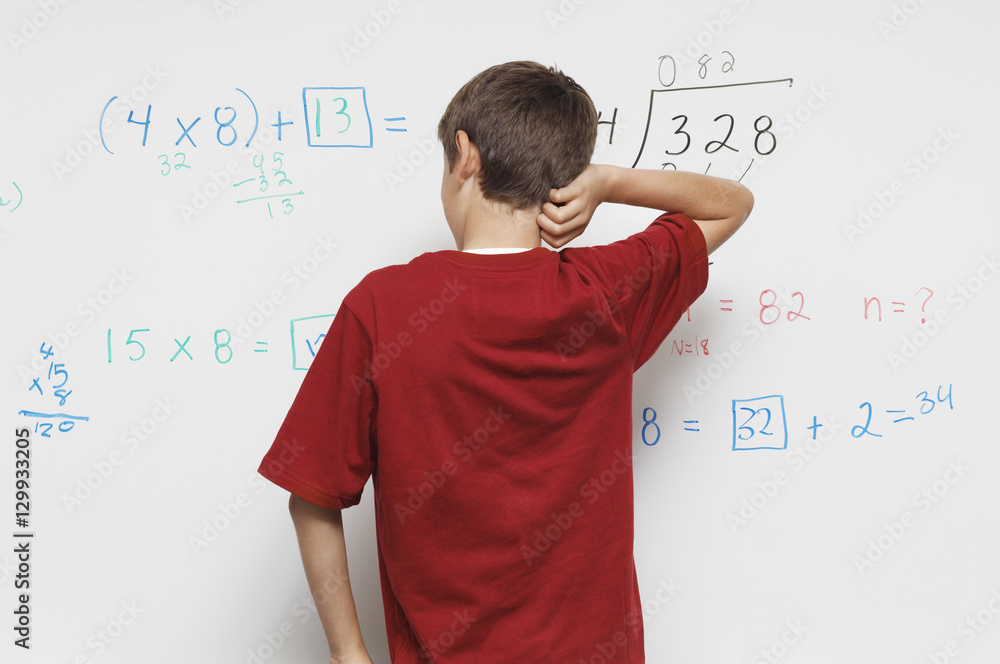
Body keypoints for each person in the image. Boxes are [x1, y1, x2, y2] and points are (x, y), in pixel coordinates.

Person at [257, 60, 753, 664]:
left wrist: (348, 654)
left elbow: (312, 493)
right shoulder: (607, 292)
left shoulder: (382, 307)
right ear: (562, 173)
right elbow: (730, 203)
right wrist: (607, 182)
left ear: (464, 155)